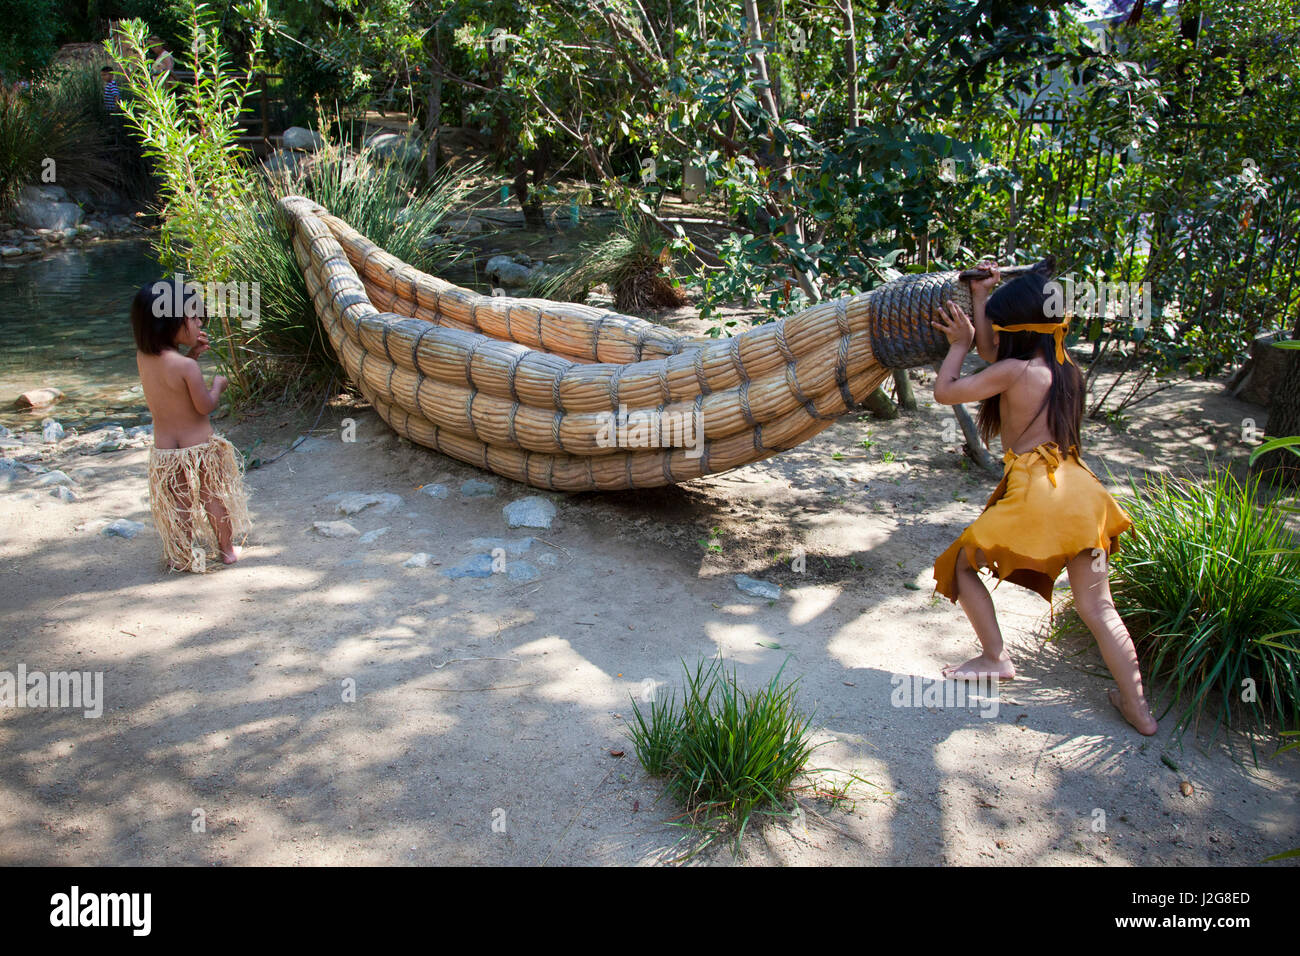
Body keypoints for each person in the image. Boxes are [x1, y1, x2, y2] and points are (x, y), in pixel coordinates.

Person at [929, 260, 1157, 735]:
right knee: (1099, 608)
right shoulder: (1066, 367)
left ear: (1014, 330)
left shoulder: (1012, 372)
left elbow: (946, 391)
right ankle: (1138, 709)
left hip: (1038, 492)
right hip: (1081, 492)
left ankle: (995, 658)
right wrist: (982, 296)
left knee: (960, 565)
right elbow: (997, 351)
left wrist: (959, 344)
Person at [131, 279, 251, 572]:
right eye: (194, 317)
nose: (199, 322)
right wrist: (218, 386)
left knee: (180, 503)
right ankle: (226, 550)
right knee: (213, 498)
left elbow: (171, 387)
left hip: (165, 450)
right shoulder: (187, 367)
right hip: (199, 449)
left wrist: (193, 354)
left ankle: (180, 555)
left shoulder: (144, 358)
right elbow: (203, 406)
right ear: (170, 322)